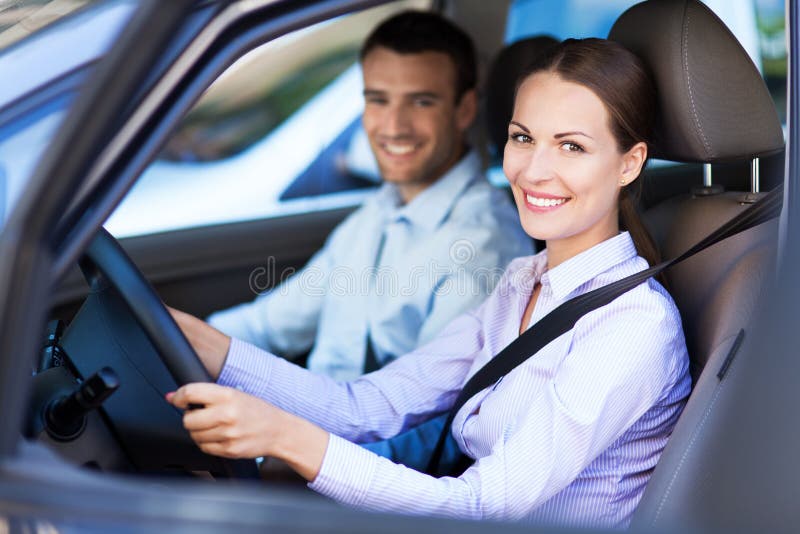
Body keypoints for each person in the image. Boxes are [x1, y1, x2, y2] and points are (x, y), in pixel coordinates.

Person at [167, 38, 691, 528]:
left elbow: (482, 508)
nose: (533, 170)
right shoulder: (520, 283)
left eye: (571, 147)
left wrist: (288, 439)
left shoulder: (634, 326)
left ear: (629, 163)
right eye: (522, 138)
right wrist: (209, 346)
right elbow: (368, 408)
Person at [205, 11, 532, 382]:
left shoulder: (484, 246)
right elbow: (267, 327)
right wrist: (179, 336)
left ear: (465, 110)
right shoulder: (377, 213)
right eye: (378, 100)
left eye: (421, 102)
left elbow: (417, 417)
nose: (393, 127)